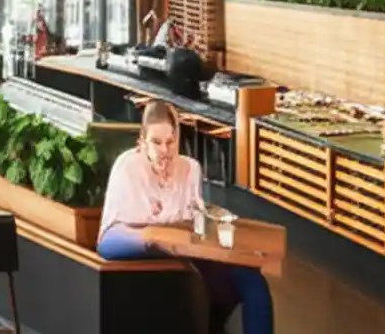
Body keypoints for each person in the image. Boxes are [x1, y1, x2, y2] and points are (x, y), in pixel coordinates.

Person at [97, 102, 273, 333]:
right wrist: (151, 239)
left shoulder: (190, 168)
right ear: (142, 141)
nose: (164, 150)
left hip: (185, 252)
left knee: (253, 281)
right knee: (183, 281)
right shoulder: (127, 167)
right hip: (141, 253)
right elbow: (108, 240)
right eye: (156, 142)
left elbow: (194, 224)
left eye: (170, 142)